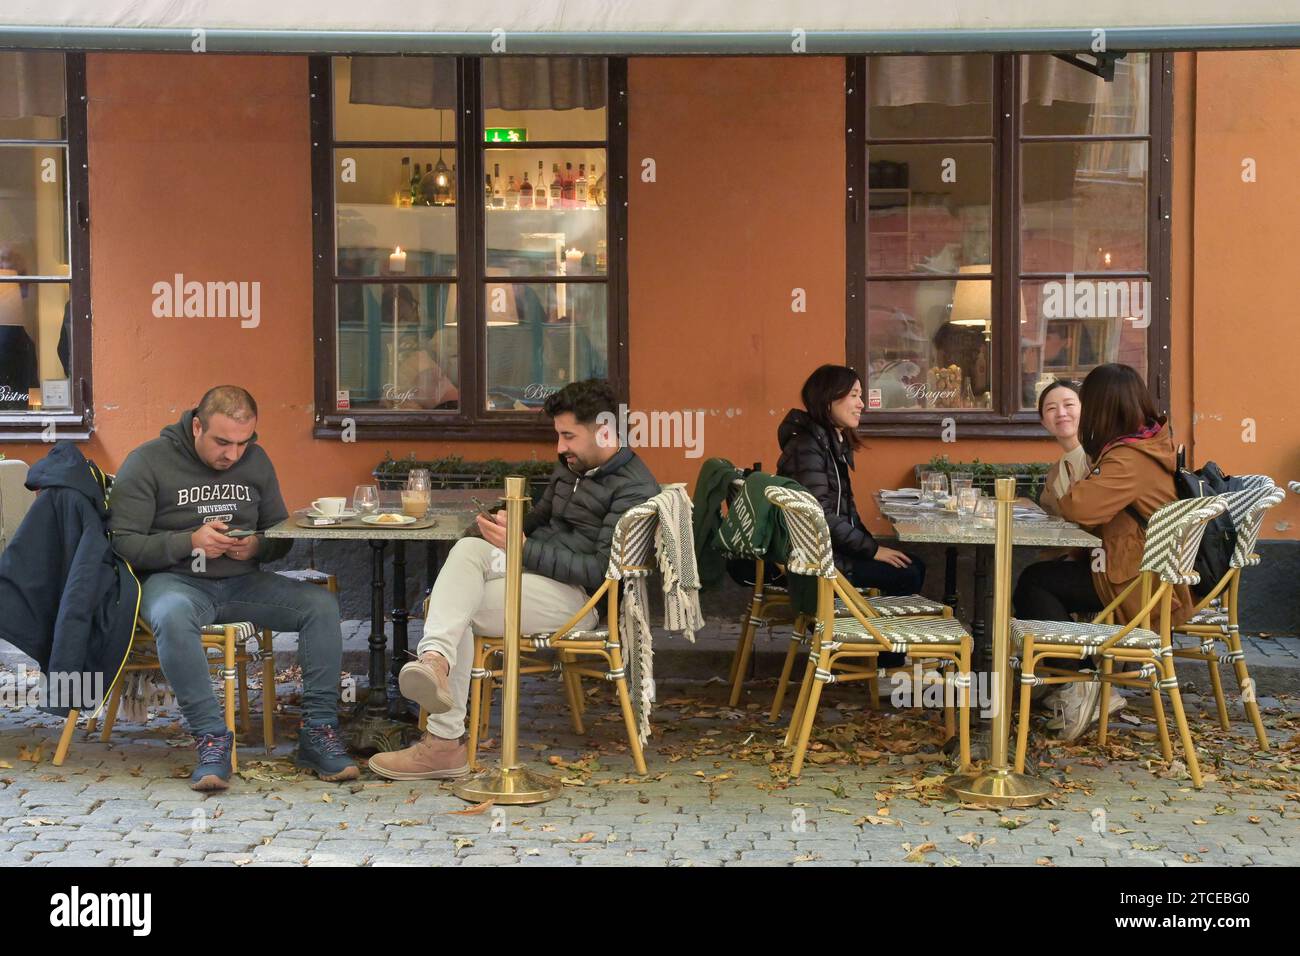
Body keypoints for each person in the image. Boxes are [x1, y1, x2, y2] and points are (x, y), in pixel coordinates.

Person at [369, 379, 660, 780]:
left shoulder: (633, 488)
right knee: (468, 554)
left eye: (568, 436)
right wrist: (501, 523)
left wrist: (521, 547)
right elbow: (542, 519)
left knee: (453, 610)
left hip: (582, 602)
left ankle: (443, 744)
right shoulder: (575, 466)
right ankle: (434, 662)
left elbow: (599, 570)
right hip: (539, 577)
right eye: (559, 435)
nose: (560, 447)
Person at [108, 386, 358, 791]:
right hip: (176, 583)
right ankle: (211, 737)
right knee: (172, 615)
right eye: (222, 442)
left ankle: (318, 733)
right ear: (196, 426)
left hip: (243, 582)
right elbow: (123, 543)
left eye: (244, 442)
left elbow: (279, 533)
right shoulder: (148, 461)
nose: (233, 454)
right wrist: (189, 541)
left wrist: (259, 545)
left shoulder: (256, 461)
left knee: (319, 605)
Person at [1014, 364, 1190, 739]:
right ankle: (1068, 678)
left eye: (1085, 403)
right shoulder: (1143, 447)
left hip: (1135, 581)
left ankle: (1080, 682)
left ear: (1102, 406)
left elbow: (1080, 508)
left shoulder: (1127, 458)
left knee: (1036, 583)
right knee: (1046, 577)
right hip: (1137, 570)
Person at [776, 365, 925, 668]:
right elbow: (822, 517)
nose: (862, 404)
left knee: (908, 564)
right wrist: (872, 550)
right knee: (908, 571)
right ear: (829, 399)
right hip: (822, 562)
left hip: (831, 552)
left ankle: (885, 651)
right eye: (854, 395)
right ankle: (887, 660)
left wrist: (872, 547)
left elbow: (847, 510)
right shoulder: (809, 447)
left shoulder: (829, 442)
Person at [1036, 379, 1089, 516]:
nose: (1061, 413)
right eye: (1051, 408)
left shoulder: (1102, 458)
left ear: (1086, 410)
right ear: (1043, 422)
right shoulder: (1054, 474)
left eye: (1069, 404)